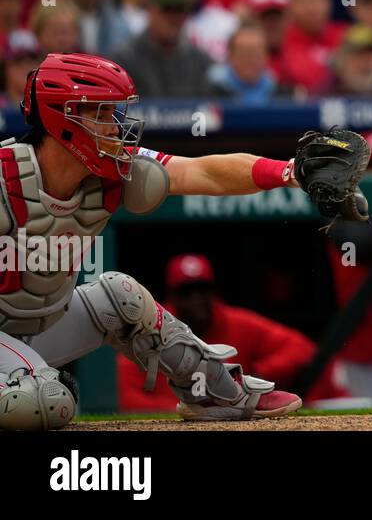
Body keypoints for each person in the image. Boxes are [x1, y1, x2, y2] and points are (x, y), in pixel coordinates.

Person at [0, 52, 312, 429]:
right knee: (39, 404)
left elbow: (204, 173)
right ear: (59, 117)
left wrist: (290, 172)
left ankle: (213, 390)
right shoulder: (5, 175)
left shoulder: (116, 168)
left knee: (121, 297)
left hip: (36, 330)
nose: (114, 127)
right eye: (98, 114)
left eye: (113, 113)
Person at [116, 254, 320, 412]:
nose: (196, 299)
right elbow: (121, 393)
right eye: (186, 292)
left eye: (202, 289)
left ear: (213, 292)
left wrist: (261, 371)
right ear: (171, 296)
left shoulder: (236, 322)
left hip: (234, 415)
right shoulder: (152, 328)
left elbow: (301, 347)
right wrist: (185, 408)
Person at [110, 0, 214, 98]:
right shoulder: (125, 61)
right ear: (150, 12)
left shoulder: (199, 63)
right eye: (167, 10)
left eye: (179, 11)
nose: (173, 19)